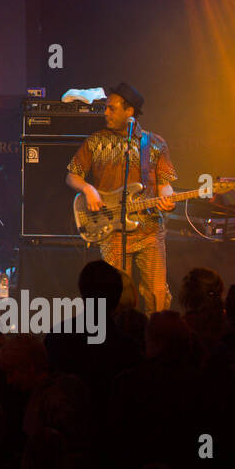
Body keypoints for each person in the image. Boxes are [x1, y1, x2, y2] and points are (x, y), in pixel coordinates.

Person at [65, 82, 177, 313]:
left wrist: (168, 199)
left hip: (149, 229)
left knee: (156, 293)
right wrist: (88, 189)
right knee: (114, 296)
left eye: (112, 108)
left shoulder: (155, 143)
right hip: (111, 229)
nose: (106, 113)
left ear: (130, 111)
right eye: (106, 107)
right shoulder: (95, 141)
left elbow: (165, 185)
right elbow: (72, 176)